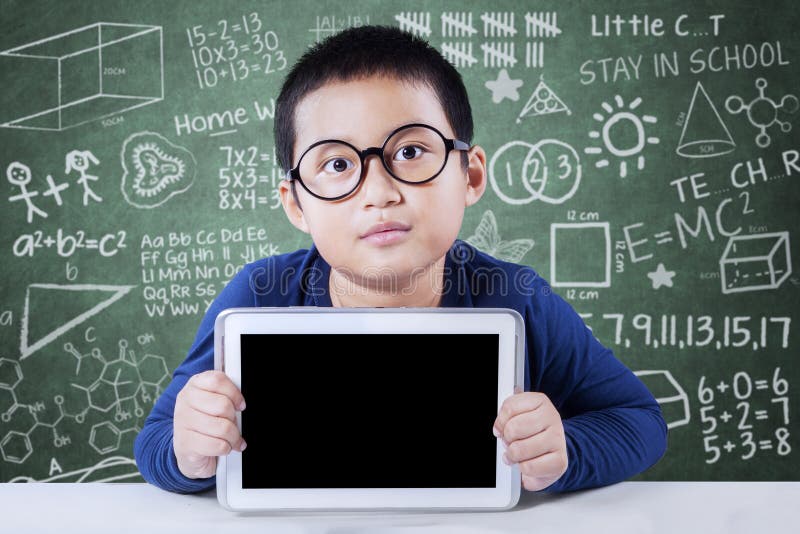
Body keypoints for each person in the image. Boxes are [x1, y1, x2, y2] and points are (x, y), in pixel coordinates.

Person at [134, 24, 667, 495]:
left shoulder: (518, 299)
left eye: (410, 152)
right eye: (338, 164)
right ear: (296, 203)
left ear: (471, 176)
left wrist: (565, 450)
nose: (379, 192)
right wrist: (188, 451)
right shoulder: (260, 294)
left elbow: (639, 420)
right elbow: (157, 441)